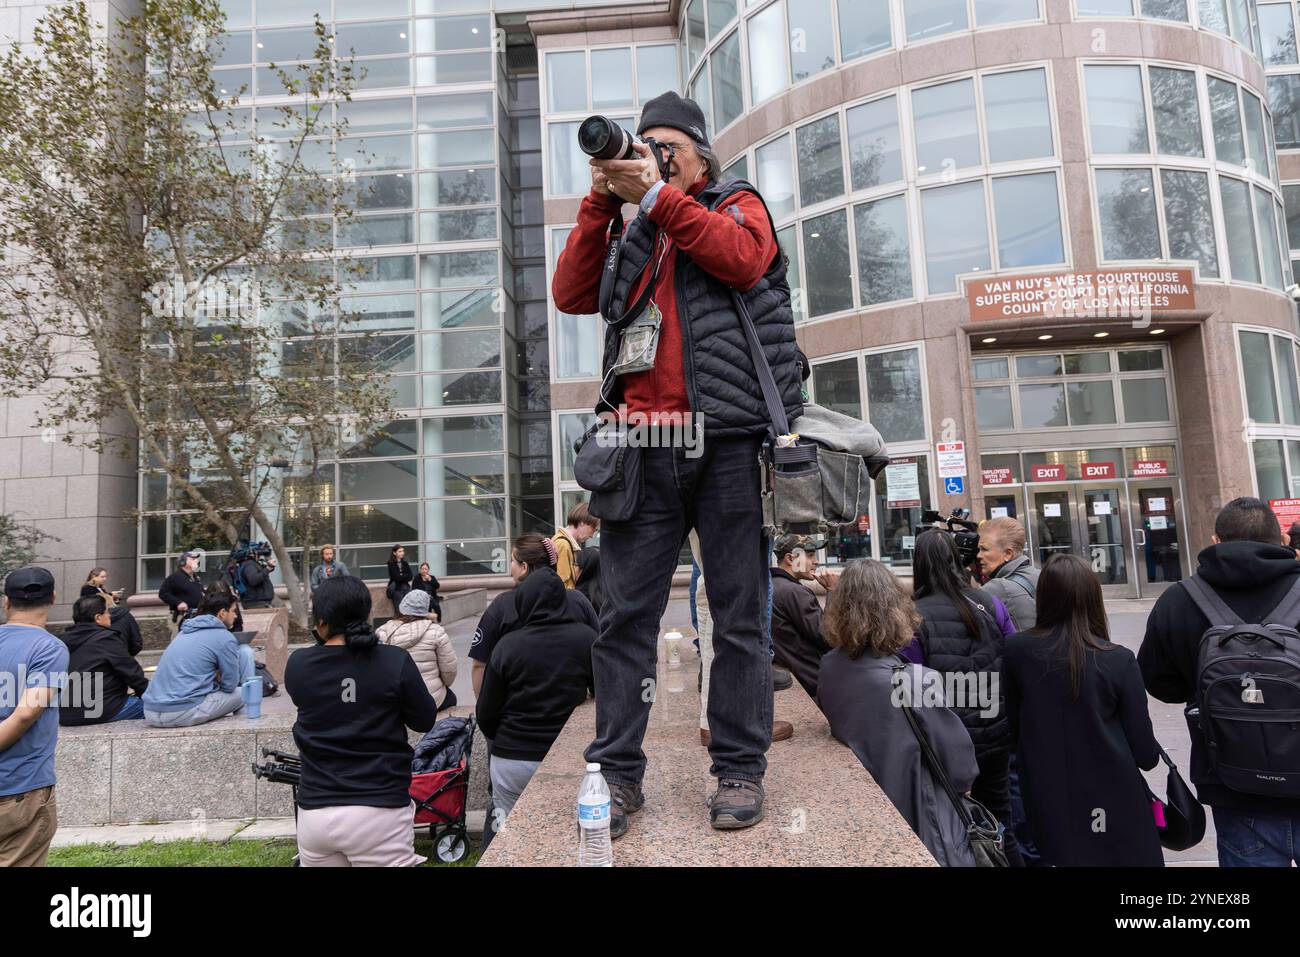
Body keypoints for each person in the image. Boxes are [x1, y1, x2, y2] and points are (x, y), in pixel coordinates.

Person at [553, 91, 804, 837]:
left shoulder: (735, 203)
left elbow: (742, 259)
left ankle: (738, 767)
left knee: (737, 617)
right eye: (646, 145)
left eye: (668, 147)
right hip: (641, 445)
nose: (654, 156)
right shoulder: (635, 230)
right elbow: (573, 293)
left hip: (727, 440)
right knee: (625, 617)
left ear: (699, 156)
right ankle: (618, 774)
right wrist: (603, 204)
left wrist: (658, 197)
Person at [1139, 496, 1300, 866]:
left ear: (1215, 541)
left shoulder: (1179, 599)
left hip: (1234, 785)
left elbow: (1158, 682)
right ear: (1282, 542)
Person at [817, 559, 979, 866]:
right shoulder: (913, 680)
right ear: (894, 608)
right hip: (916, 810)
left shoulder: (829, 667)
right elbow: (959, 766)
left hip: (857, 809)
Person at [1004, 554, 1163, 866]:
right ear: (1094, 597)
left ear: (1044, 597)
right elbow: (1146, 754)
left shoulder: (1017, 650)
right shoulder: (1118, 660)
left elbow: (1014, 727)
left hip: (1048, 800)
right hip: (1115, 804)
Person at [285, 576, 439, 867]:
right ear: (367, 615)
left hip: (315, 813)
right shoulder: (394, 661)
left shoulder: (298, 665)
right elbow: (425, 719)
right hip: (380, 811)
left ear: (320, 620)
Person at [910, 528, 1020, 866]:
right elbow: (1014, 653)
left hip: (949, 744)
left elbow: (910, 684)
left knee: (956, 826)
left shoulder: (914, 616)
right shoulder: (990, 602)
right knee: (1002, 818)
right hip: (997, 732)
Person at [476, 564, 597, 820]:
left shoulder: (506, 646)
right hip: (569, 756)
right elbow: (602, 693)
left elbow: (486, 714)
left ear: (524, 602)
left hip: (512, 760)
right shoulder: (586, 639)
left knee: (509, 834)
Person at [469, 534, 597, 698]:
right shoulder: (577, 600)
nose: (511, 567)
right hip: (571, 698)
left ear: (524, 567)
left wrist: (484, 712)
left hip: (517, 703)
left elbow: (479, 665)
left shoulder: (501, 607)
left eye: (513, 561)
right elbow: (597, 649)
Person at [0, 567, 67, 866]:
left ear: (6, 602)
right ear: (53, 597)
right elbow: (26, 712)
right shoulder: (49, 648)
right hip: (21, 789)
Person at [142, 589, 256, 728]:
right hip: (181, 712)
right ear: (222, 613)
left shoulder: (184, 632)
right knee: (246, 693)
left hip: (150, 711)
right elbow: (230, 685)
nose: (236, 616)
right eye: (233, 611)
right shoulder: (224, 637)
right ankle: (246, 734)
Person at [768, 533, 844, 699]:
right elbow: (829, 637)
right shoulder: (794, 592)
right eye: (810, 555)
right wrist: (833, 591)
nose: (816, 561)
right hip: (815, 680)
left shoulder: (772, 586)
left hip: (796, 675)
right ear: (790, 559)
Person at [58, 595, 149, 725]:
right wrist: (153, 697)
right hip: (102, 710)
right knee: (165, 709)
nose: (110, 615)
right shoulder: (105, 639)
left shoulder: (60, 642)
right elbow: (133, 675)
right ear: (98, 618)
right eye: (106, 611)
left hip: (65, 714)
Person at [376, 589, 458, 710]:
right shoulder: (436, 632)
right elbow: (449, 670)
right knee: (451, 698)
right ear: (425, 611)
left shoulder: (382, 631)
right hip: (430, 698)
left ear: (402, 608)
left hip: (394, 698)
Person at [978, 517, 1040, 632]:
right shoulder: (1041, 575)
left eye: (984, 549)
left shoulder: (999, 587)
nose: (978, 556)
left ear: (1008, 554)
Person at [551, 502, 599, 589]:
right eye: (594, 529)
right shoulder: (563, 544)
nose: (592, 536)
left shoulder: (565, 543)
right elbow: (562, 585)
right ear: (582, 522)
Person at [158, 551, 204, 632]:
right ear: (183, 562)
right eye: (192, 559)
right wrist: (178, 602)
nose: (196, 561)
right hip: (181, 617)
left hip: (195, 617)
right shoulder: (174, 577)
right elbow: (163, 593)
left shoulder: (196, 578)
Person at [574, 546, 603, 617]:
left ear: (585, 568)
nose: (573, 568)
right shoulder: (610, 595)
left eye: (576, 564)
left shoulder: (577, 597)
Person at [386, 545, 413, 610]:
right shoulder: (391, 564)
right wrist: (404, 576)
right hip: (396, 588)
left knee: (409, 607)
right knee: (399, 609)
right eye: (400, 551)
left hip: (406, 587)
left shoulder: (405, 563)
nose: (402, 553)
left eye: (403, 551)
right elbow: (396, 577)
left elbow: (410, 576)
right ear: (394, 553)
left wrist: (401, 576)